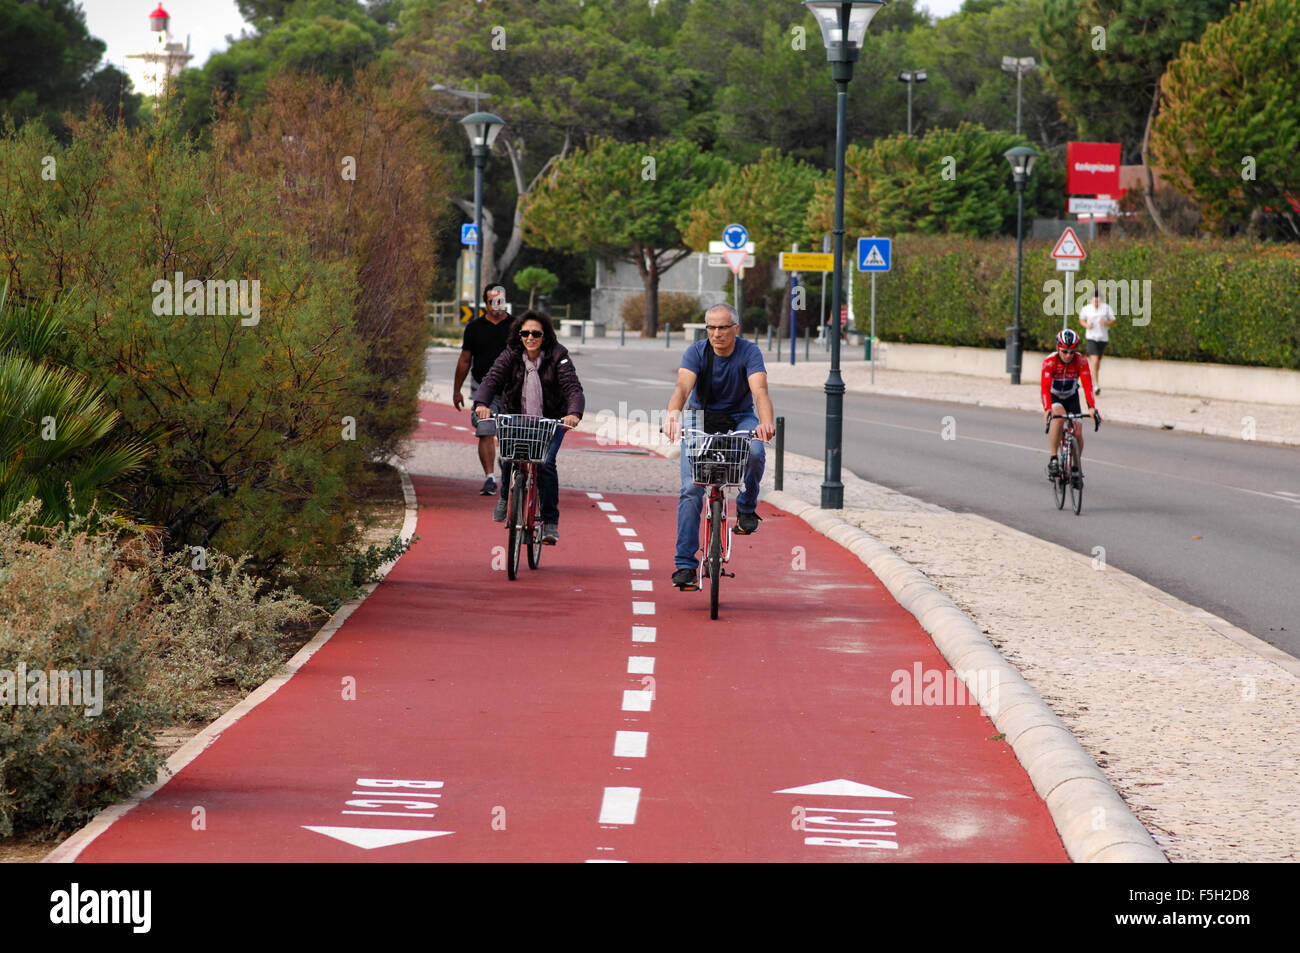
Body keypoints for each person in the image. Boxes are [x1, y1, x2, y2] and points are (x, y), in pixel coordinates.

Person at [664, 304, 776, 591]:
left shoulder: (749, 352)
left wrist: (765, 423)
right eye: (710, 327)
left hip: (740, 416)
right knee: (691, 489)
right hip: (700, 416)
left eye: (722, 327)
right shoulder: (697, 352)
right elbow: (682, 388)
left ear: (735, 329)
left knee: (755, 452)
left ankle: (747, 508)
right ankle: (686, 566)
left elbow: (760, 390)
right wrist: (673, 415)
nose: (716, 333)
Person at [473, 311, 584, 544]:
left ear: (545, 336)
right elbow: (492, 379)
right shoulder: (511, 355)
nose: (530, 337)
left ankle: (551, 521)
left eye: (536, 333)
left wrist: (573, 414)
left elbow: (572, 388)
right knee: (508, 458)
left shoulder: (558, 356)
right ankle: (505, 498)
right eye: (525, 333)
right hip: (516, 418)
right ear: (519, 335)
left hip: (550, 421)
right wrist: (482, 403)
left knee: (546, 465)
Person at [452, 285, 512, 496]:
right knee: (486, 429)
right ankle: (490, 478)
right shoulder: (474, 328)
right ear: (485, 304)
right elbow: (465, 360)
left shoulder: (517, 327)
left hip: (512, 389)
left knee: (510, 433)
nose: (497, 305)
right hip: (483, 389)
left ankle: (506, 462)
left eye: (500, 300)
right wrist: (457, 390)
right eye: (492, 301)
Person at [1042, 328, 1100, 478]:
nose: (1068, 355)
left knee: (1078, 432)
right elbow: (1045, 387)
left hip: (1071, 396)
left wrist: (1092, 407)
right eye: (1065, 351)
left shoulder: (1081, 360)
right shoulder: (1049, 362)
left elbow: (1088, 385)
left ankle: (1075, 467)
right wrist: (1047, 409)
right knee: (1060, 418)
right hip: (1055, 397)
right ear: (1057, 348)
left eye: (1072, 352)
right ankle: (1054, 458)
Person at [1078, 290, 1116, 395]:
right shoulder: (1086, 309)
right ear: (1091, 300)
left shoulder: (1106, 308)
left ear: (1100, 300)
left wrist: (1106, 323)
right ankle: (1096, 385)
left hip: (1103, 339)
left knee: (1097, 364)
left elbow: (1113, 320)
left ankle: (1095, 380)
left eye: (1098, 301)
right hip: (1091, 338)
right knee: (1094, 361)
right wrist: (1087, 326)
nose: (1096, 303)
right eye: (1094, 301)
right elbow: (1081, 320)